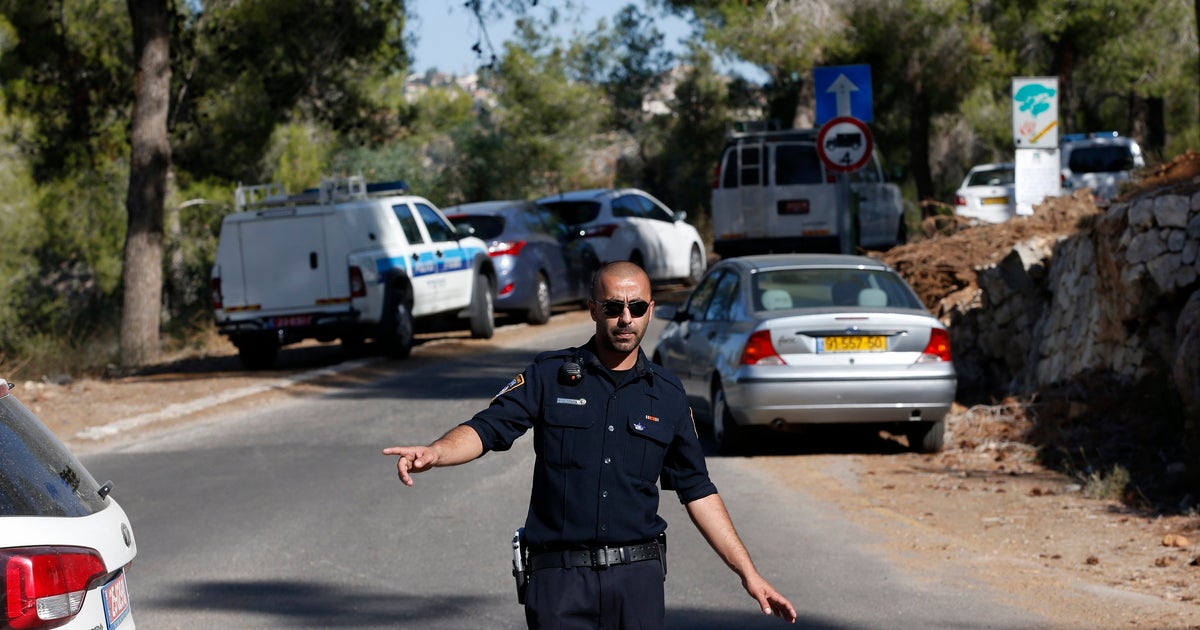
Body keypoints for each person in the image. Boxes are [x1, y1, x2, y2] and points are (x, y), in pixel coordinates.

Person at [382, 261, 797, 628]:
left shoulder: (668, 395)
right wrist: (437, 452)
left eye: (636, 308)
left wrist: (748, 573)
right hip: (559, 581)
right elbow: (487, 429)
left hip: (637, 582)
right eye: (614, 307)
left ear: (651, 310)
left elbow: (698, 491)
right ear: (594, 310)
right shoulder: (549, 375)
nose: (625, 319)